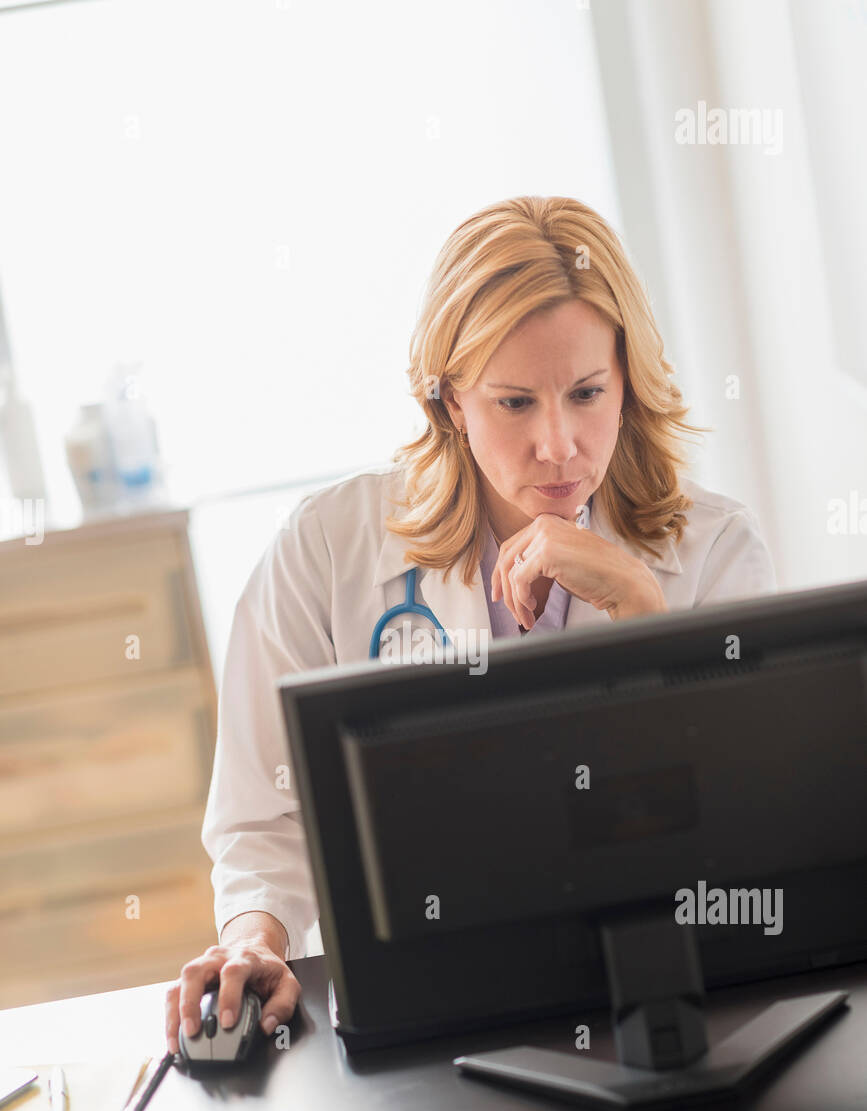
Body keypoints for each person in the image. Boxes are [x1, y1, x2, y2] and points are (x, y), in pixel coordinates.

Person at [164, 194, 776, 1053]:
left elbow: (748, 831)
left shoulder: (711, 550)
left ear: (627, 379)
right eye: (514, 403)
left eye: (587, 392)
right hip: (428, 1015)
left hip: (665, 1003)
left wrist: (642, 614)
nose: (558, 445)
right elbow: (265, 818)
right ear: (450, 401)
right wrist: (254, 939)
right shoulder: (327, 547)